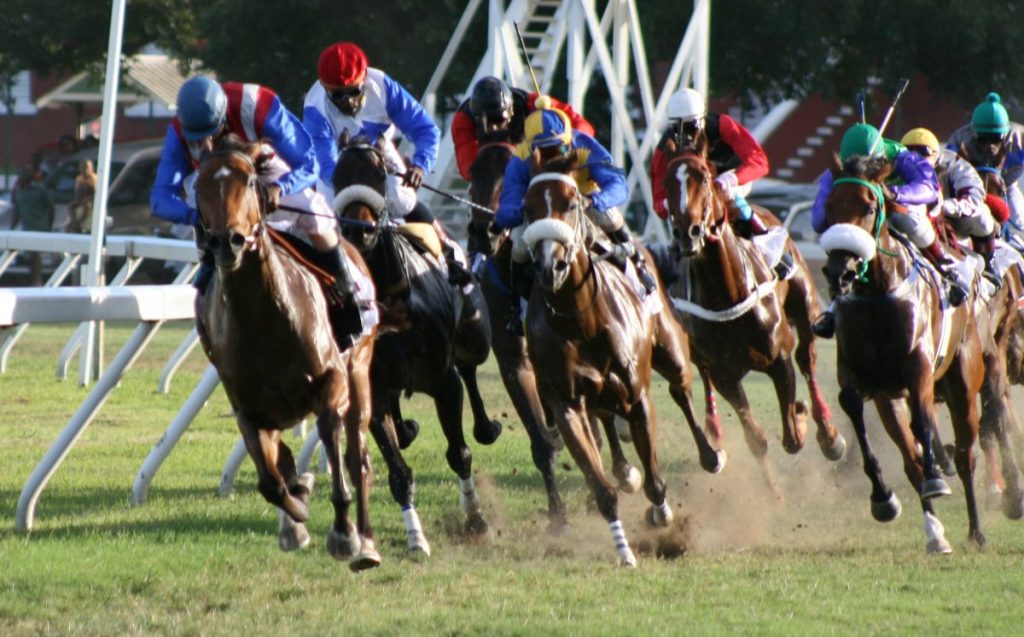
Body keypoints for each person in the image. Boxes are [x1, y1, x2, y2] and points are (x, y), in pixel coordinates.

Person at [151, 75, 363, 343]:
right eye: (197, 138)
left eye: (210, 134)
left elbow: (309, 164)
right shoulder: (179, 130)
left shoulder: (257, 104)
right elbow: (160, 196)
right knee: (205, 212)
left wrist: (281, 189)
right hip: (219, 185)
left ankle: (348, 295)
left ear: (223, 115)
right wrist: (195, 217)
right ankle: (208, 294)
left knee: (313, 212)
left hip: (265, 170)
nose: (204, 144)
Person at [302, 42, 468, 282]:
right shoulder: (314, 105)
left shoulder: (382, 85)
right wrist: (357, 187)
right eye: (338, 95)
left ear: (364, 78)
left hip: (378, 152)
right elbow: (326, 165)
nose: (347, 101)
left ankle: (448, 252)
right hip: (340, 164)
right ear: (326, 89)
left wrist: (420, 165)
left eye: (353, 91)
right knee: (329, 212)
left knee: (401, 199)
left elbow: (425, 130)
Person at [494, 106, 656, 334]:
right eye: (543, 152)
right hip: (543, 211)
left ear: (569, 140)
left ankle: (639, 276)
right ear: (531, 148)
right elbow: (507, 207)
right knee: (519, 244)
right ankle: (519, 309)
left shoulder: (584, 145)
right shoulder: (520, 158)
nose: (553, 157)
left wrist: (596, 200)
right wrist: (526, 209)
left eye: (559, 148)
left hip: (583, 201)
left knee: (610, 215)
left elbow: (618, 184)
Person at [810, 123, 967, 338]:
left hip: (903, 202)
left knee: (908, 219)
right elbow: (818, 220)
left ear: (880, 157)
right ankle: (835, 304)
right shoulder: (835, 171)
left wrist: (894, 193)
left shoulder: (902, 157)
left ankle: (946, 268)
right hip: (867, 214)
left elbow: (928, 188)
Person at [650, 87, 770, 238]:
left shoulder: (723, 125)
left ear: (701, 119)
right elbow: (658, 202)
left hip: (730, 178)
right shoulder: (664, 148)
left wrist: (732, 179)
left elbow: (760, 162)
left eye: (690, 127)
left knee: (728, 193)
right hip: (695, 189)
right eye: (677, 127)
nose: (685, 135)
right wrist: (671, 203)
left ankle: (762, 233)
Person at [901, 127, 1001, 285]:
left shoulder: (953, 164)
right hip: (914, 218)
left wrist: (946, 207)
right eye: (910, 155)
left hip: (951, 221)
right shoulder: (897, 165)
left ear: (935, 155)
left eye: (922, 154)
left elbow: (974, 198)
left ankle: (989, 260)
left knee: (982, 214)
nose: (916, 161)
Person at [450, 76, 595, 181]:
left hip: (541, 168)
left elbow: (584, 127)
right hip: (495, 176)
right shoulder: (462, 120)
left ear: (511, 112)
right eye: (484, 122)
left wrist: (565, 146)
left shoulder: (534, 104)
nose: (493, 128)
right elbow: (468, 169)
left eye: (498, 120)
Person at [947, 92, 1024, 234]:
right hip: (968, 188)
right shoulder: (958, 141)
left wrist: (1002, 184)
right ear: (973, 131)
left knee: (1020, 225)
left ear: (1005, 133)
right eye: (983, 138)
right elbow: (948, 172)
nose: (989, 146)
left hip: (1007, 187)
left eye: (995, 138)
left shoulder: (1020, 139)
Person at [10, 165, 55, 285]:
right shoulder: (18, 190)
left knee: (36, 255)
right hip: (27, 227)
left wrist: (49, 225)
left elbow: (50, 207)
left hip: (39, 226)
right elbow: (17, 210)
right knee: (29, 256)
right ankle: (32, 278)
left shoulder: (40, 189)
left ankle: (37, 280)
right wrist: (12, 228)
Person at [68, 159, 97, 233]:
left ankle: (79, 223)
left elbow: (95, 193)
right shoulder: (79, 178)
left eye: (87, 168)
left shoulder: (94, 178)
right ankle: (74, 221)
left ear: (91, 169)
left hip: (90, 199)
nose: (85, 170)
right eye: (83, 168)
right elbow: (77, 191)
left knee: (87, 206)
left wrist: (87, 199)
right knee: (70, 206)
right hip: (80, 198)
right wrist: (76, 200)